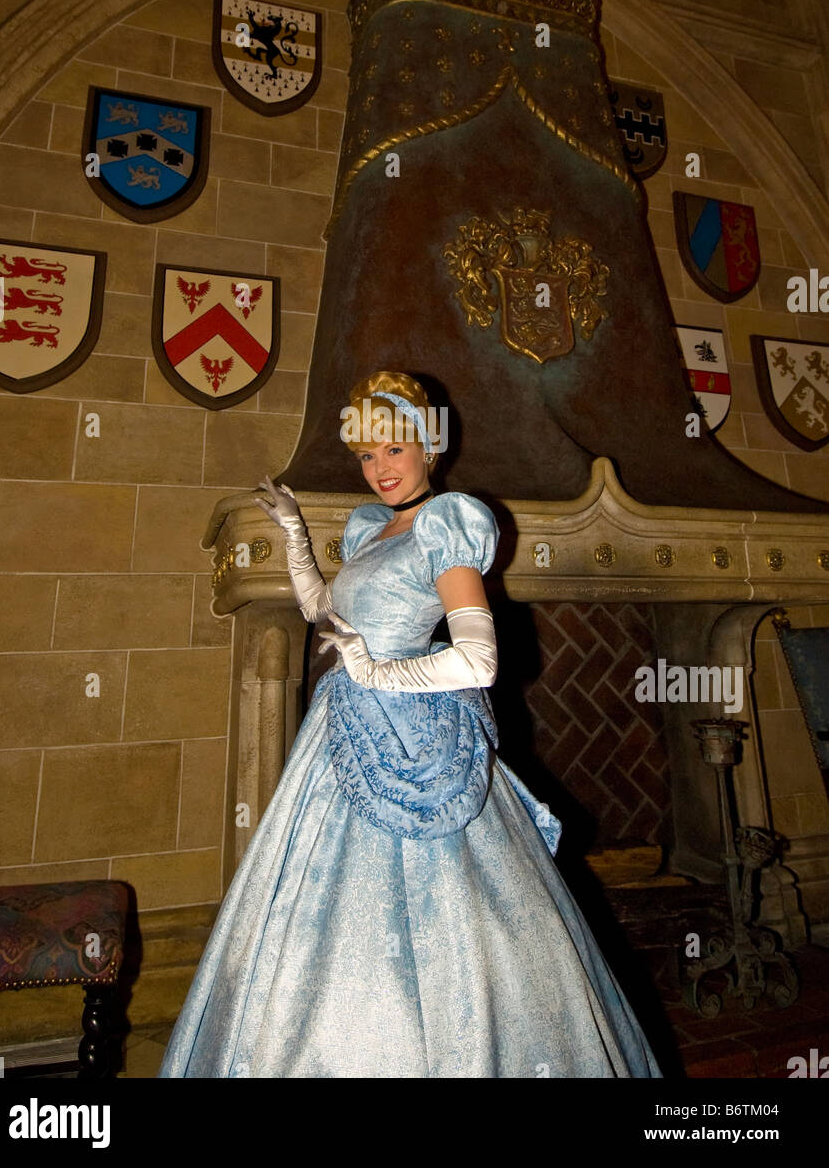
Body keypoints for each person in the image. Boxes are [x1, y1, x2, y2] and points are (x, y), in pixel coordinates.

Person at [158, 370, 662, 1078]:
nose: (380, 469)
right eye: (367, 455)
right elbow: (327, 616)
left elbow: (480, 658)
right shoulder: (371, 527)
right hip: (345, 730)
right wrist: (297, 536)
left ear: (429, 445)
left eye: (394, 450)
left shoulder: (447, 522)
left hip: (414, 735)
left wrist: (378, 673)